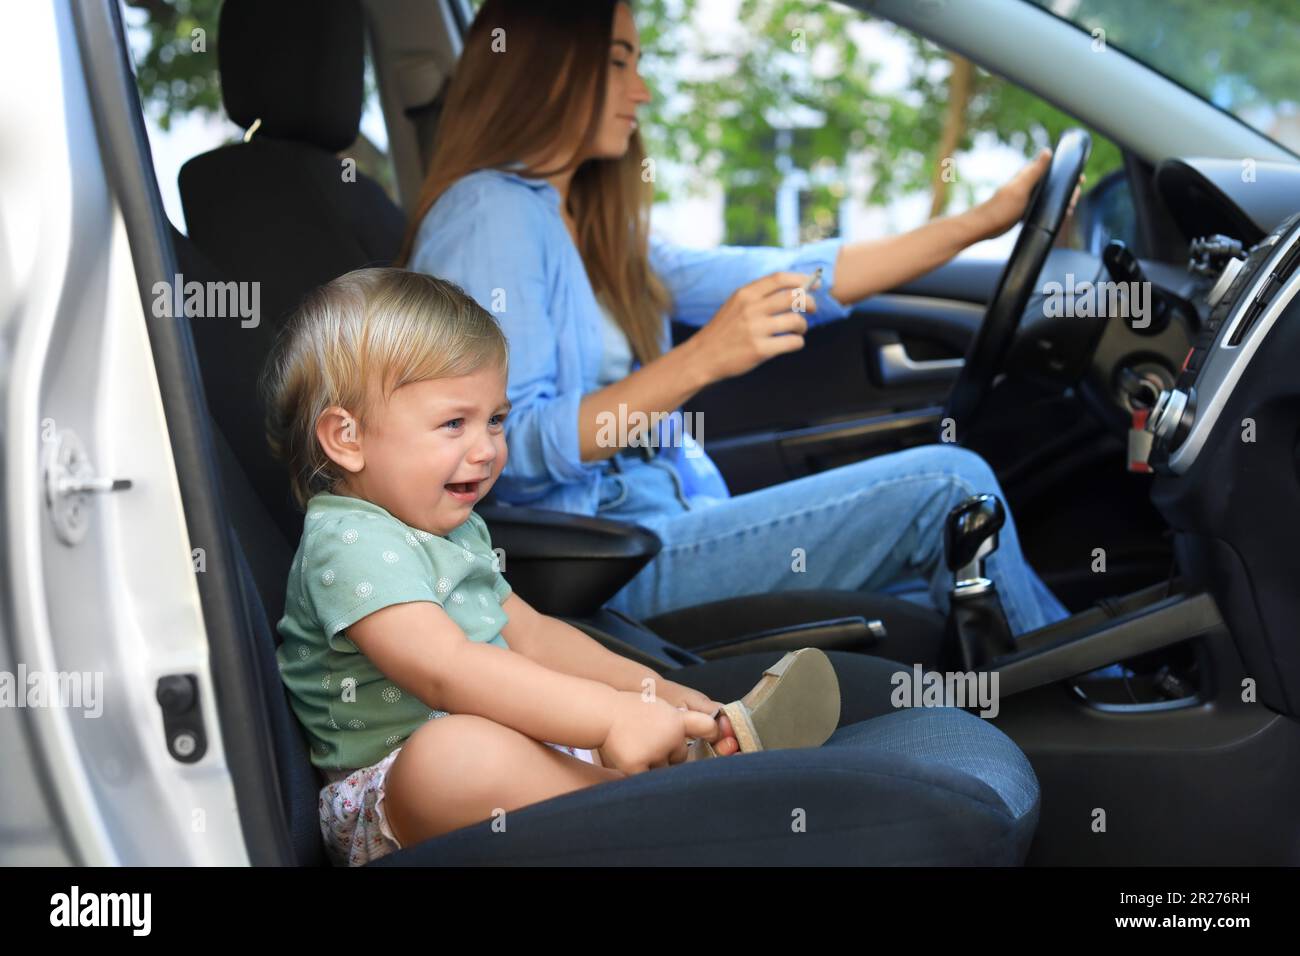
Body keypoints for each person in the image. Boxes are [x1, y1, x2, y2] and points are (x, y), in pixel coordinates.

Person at [401, 0, 1070, 636]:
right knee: (952, 488)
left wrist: (983, 222)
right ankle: (1092, 709)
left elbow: (797, 274)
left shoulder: (590, 224)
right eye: (618, 62)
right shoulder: (489, 216)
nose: (643, 91)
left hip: (667, 520)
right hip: (596, 563)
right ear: (543, 66)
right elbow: (502, 451)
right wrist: (698, 361)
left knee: (937, 564)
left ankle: (1096, 703)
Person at [262, 269, 861, 865]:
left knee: (574, 721)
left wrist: (654, 693)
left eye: (496, 419)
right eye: (454, 423)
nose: (487, 449)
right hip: (393, 795)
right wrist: (608, 717)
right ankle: (671, 806)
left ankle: (683, 761)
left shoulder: (450, 525)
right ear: (347, 438)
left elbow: (533, 636)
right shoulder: (348, 538)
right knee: (454, 756)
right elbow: (443, 671)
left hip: (519, 750)